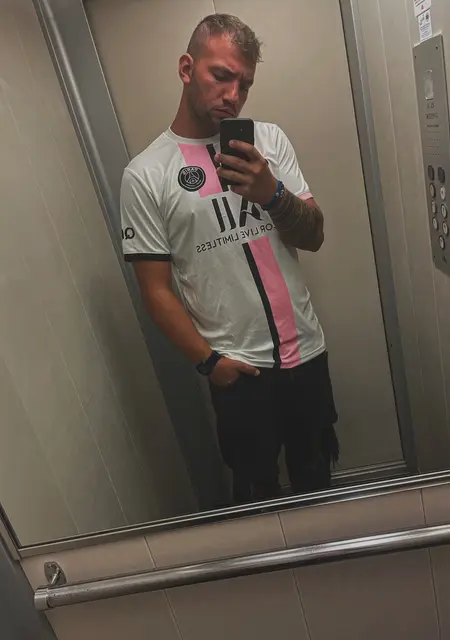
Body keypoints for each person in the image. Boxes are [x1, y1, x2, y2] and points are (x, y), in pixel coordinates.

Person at [120, 13, 339, 504]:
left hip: (305, 350)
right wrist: (210, 362)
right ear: (186, 68)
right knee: (256, 492)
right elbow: (155, 291)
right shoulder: (146, 175)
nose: (233, 95)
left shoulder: (270, 141)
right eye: (221, 75)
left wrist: (272, 193)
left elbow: (314, 236)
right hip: (238, 370)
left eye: (245, 84)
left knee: (316, 477)